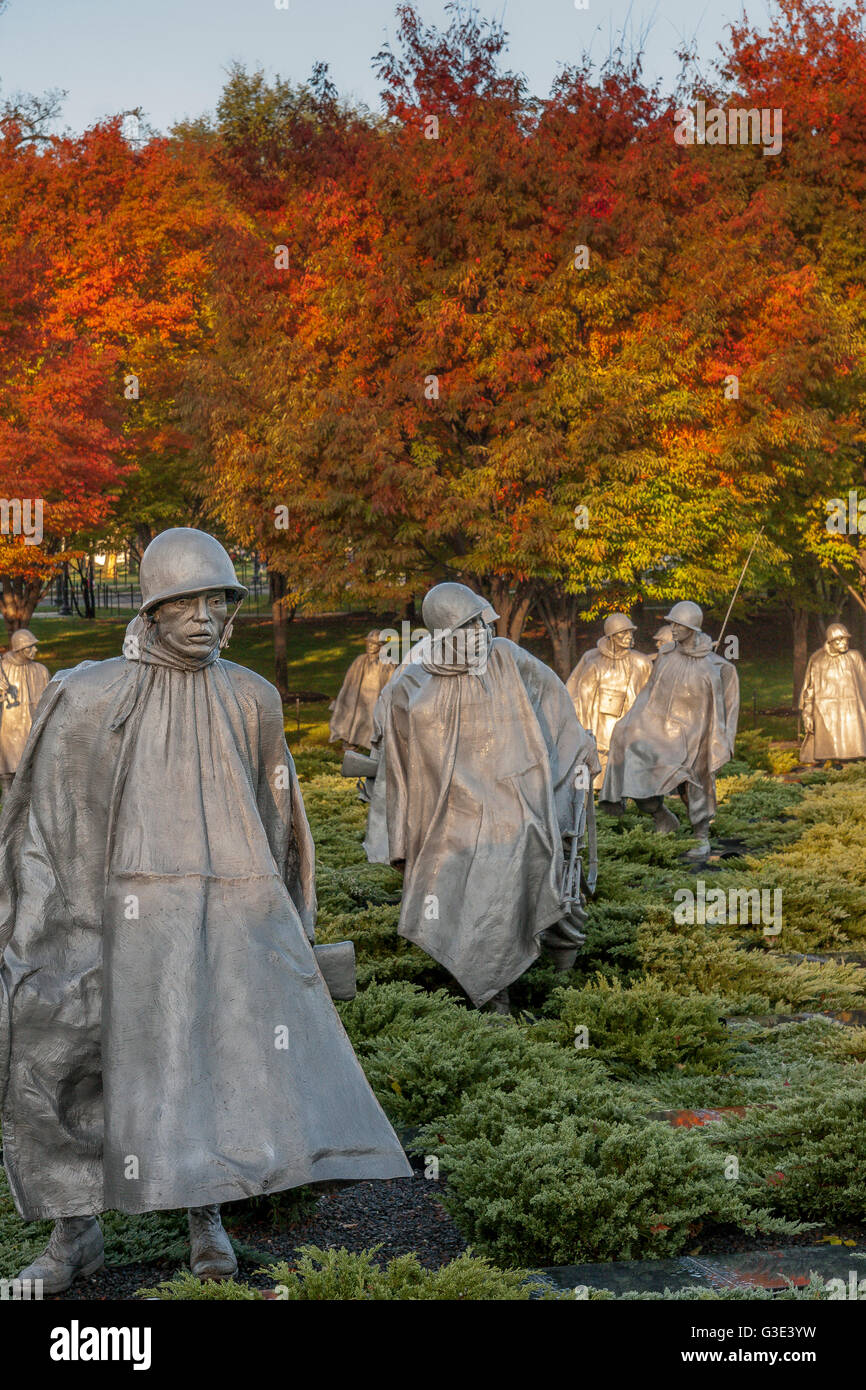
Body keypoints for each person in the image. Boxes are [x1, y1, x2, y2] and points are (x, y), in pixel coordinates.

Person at [0, 528, 410, 1295]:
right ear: (151, 610)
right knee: (65, 1054)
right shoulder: (90, 694)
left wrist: (289, 924)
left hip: (216, 916)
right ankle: (73, 1233)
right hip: (96, 919)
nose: (203, 616)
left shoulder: (250, 697)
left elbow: (281, 820)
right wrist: (40, 930)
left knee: (212, 1056)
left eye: (217, 600)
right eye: (183, 601)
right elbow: (43, 823)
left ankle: (206, 1214)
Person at [380, 582, 598, 1012]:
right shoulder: (411, 686)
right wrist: (404, 839)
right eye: (468, 625)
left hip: (520, 804)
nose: (481, 631)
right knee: (449, 869)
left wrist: (580, 749)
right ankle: (489, 988)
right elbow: (400, 771)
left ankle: (559, 983)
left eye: (483, 621)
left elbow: (557, 710)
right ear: (444, 634)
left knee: (531, 847)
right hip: (450, 818)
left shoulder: (509, 659)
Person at [600, 601, 739, 859]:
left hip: (695, 739)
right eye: (672, 622)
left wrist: (722, 743)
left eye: (678, 624)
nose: (672, 628)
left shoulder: (715, 667)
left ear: (692, 628)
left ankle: (701, 836)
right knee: (634, 756)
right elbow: (648, 696)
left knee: (695, 781)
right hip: (661, 734)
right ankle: (662, 816)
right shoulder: (665, 657)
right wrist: (628, 724)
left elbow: (726, 711)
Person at [566, 614, 652, 788]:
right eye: (623, 633)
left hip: (631, 726)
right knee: (601, 772)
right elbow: (579, 696)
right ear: (611, 636)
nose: (628, 637)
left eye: (630, 633)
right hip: (601, 726)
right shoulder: (593, 661)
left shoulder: (641, 662)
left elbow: (652, 696)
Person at [800, 622, 866, 763]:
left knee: (854, 753)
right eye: (839, 640)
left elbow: (864, 684)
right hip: (826, 716)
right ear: (830, 641)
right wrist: (807, 714)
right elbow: (809, 691)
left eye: (846, 639)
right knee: (830, 756)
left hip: (852, 715)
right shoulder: (817, 660)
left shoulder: (855, 657)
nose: (844, 643)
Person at [0, 629, 50, 794]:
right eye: (30, 647)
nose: (35, 650)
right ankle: (7, 812)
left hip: (32, 730)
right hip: (9, 730)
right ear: (19, 649)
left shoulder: (41, 670)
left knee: (33, 777)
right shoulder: (3, 671)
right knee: (8, 776)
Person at [329, 630, 394, 750]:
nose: (370, 645)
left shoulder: (387, 664)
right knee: (355, 716)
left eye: (374, 643)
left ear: (381, 646)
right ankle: (351, 739)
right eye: (368, 642)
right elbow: (349, 682)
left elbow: (391, 685)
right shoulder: (360, 661)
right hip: (359, 697)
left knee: (372, 719)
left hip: (375, 699)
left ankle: (373, 742)